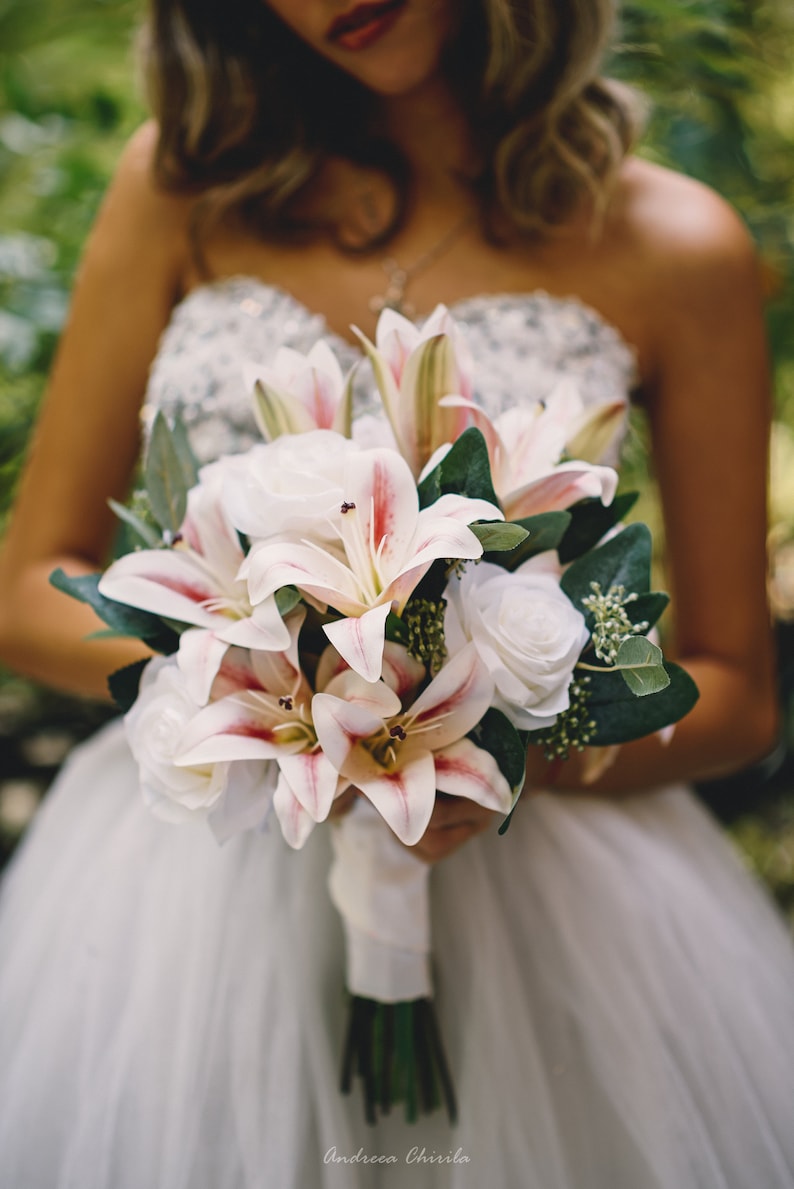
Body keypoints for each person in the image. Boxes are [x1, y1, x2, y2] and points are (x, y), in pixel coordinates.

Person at [0, 0, 793, 1185]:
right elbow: (24, 584)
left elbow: (731, 694)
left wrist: (502, 747)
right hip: (188, 888)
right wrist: (263, 682)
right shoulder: (183, 188)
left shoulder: (679, 244)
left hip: (550, 911)